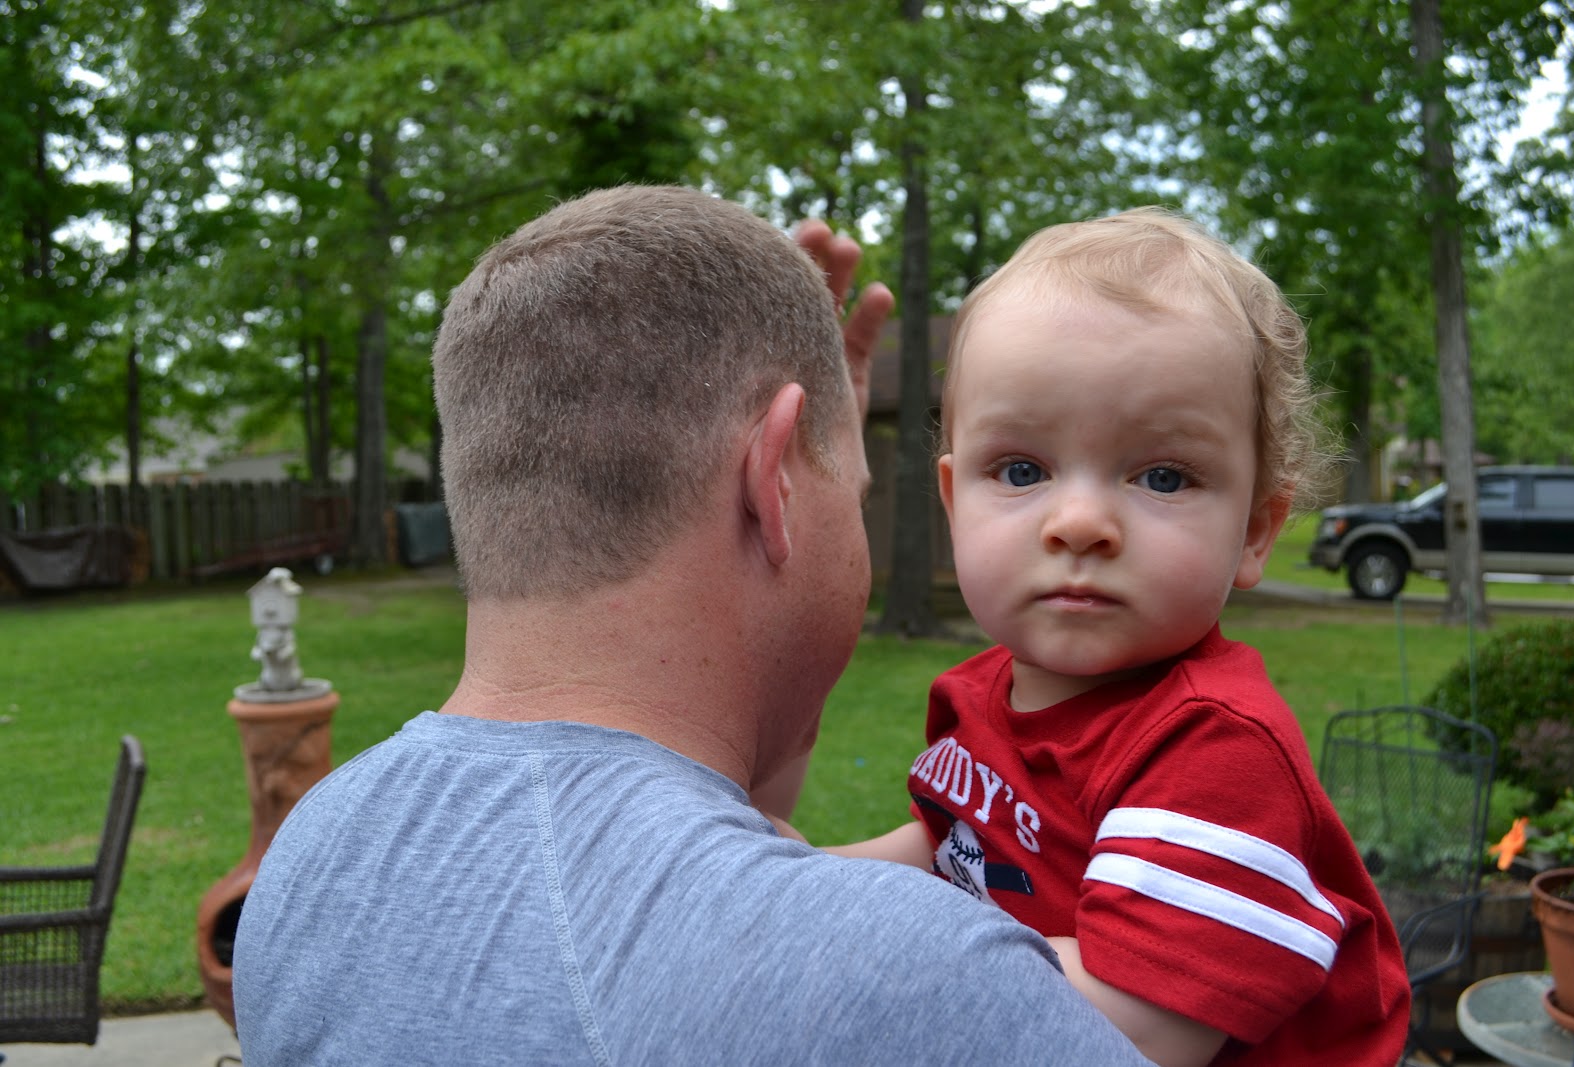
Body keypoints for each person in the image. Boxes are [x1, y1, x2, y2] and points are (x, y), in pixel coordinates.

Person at [230, 185, 1155, 1067]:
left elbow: (704, 847)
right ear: (775, 479)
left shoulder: (312, 858)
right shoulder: (907, 980)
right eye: (857, 494)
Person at [826, 208, 1411, 1067]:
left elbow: (1136, 1025)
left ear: (1255, 530)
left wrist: (864, 954)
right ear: (955, 500)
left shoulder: (1214, 748)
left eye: (1163, 475)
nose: (1081, 522)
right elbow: (957, 843)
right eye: (1021, 470)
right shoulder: (979, 691)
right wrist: (807, 878)